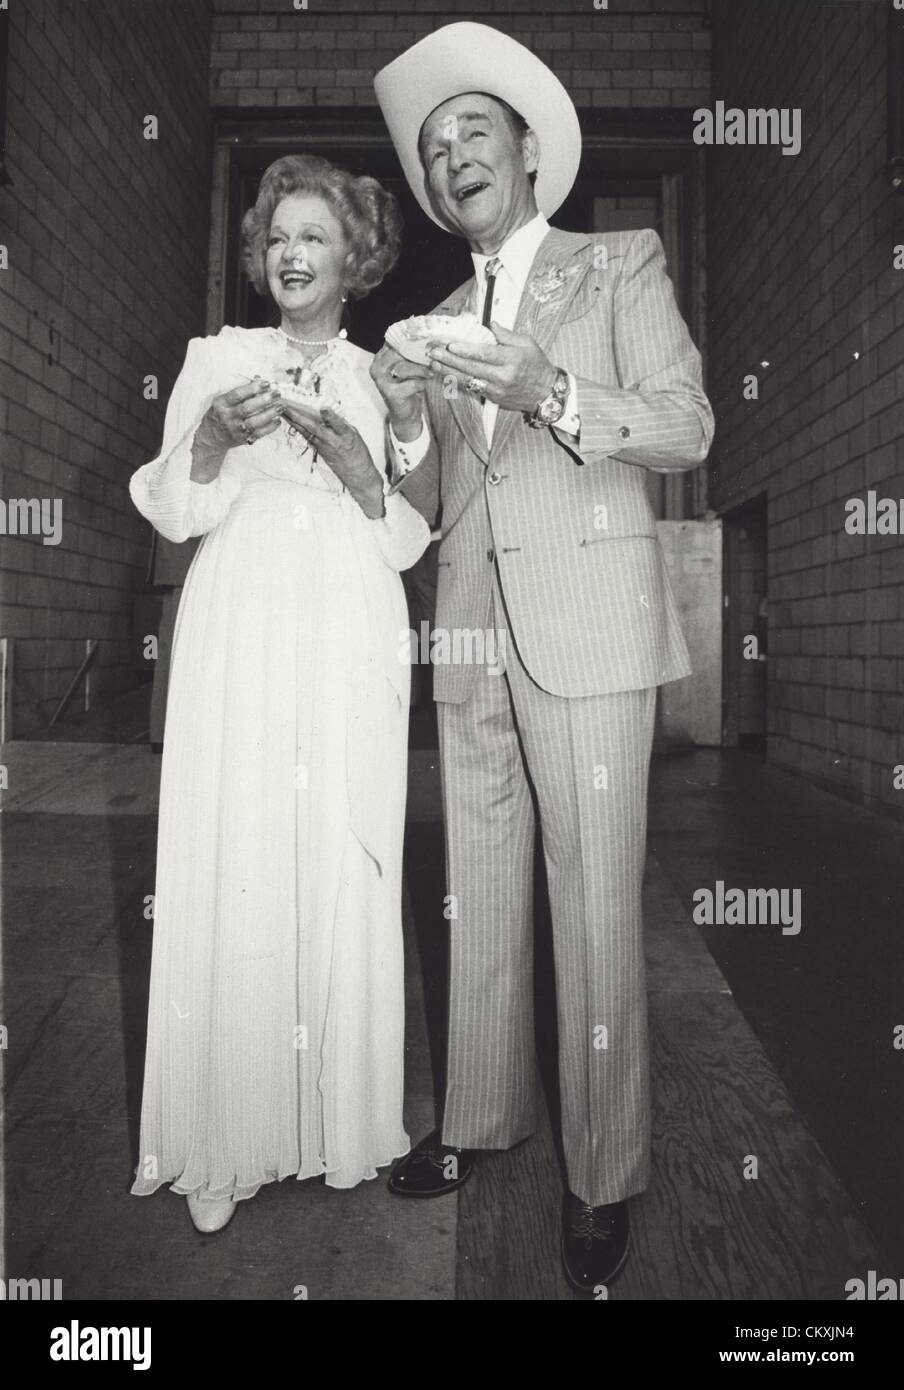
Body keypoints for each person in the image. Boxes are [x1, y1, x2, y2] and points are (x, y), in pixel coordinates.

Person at [371, 23, 715, 1291]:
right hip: (468, 635)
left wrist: (548, 393)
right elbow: (426, 501)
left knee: (594, 907)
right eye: (433, 147)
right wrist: (407, 425)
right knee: (476, 892)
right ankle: (476, 1119)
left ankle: (603, 1172)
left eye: (473, 131)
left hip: (592, 627)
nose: (453, 156)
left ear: (525, 149)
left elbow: (685, 423)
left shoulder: (618, 262)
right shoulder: (432, 320)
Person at [129, 154, 430, 1233]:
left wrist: (362, 462)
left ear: (357, 259)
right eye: (277, 238)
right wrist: (209, 438)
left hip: (349, 622)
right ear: (260, 258)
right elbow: (172, 509)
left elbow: (403, 534)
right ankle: (224, 1141)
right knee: (242, 852)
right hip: (243, 615)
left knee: (337, 849)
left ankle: (334, 1125)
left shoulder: (386, 375)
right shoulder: (219, 356)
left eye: (316, 237)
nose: (292, 253)